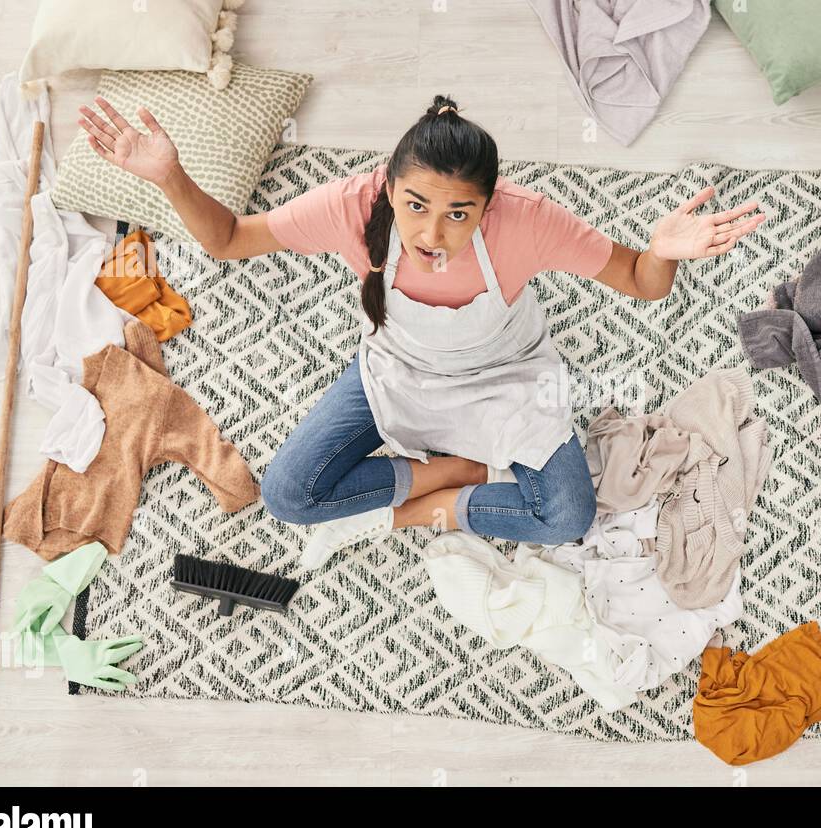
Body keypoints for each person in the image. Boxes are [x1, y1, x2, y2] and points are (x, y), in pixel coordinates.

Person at [76, 94, 765, 568]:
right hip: (396, 372)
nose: (433, 234)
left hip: (507, 380)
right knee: (288, 494)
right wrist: (170, 176)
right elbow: (227, 239)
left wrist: (664, 252)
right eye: (415, 207)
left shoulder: (527, 221)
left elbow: (641, 280)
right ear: (388, 187)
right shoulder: (352, 206)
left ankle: (415, 508)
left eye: (460, 214)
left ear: (489, 206)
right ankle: (460, 468)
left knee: (566, 516)